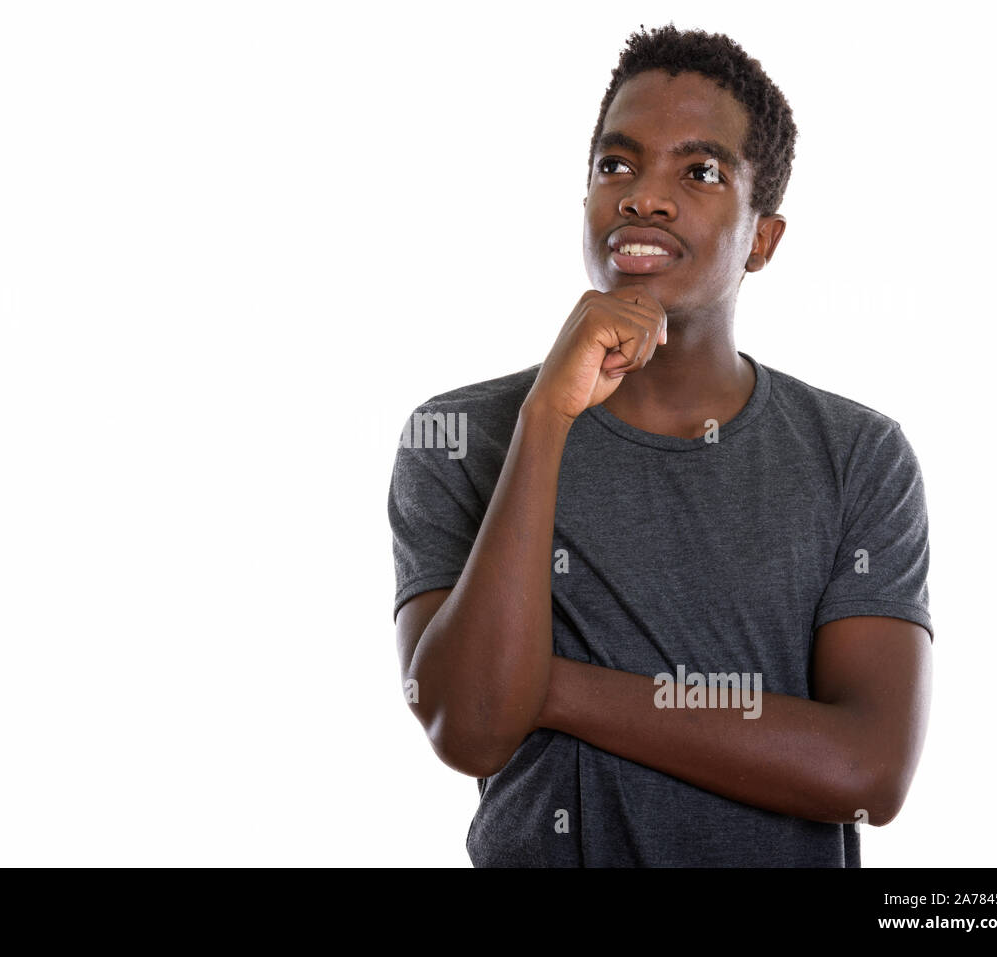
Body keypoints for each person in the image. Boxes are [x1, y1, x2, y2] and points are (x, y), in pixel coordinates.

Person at [386, 23, 934, 867]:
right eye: (617, 165)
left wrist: (547, 685)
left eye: (701, 171)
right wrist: (546, 417)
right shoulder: (461, 437)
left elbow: (867, 769)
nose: (644, 196)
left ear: (762, 238)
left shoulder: (857, 454)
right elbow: (469, 727)